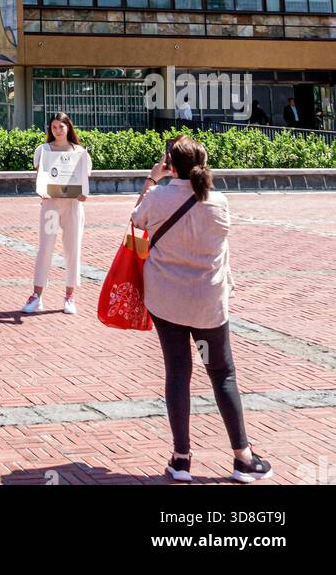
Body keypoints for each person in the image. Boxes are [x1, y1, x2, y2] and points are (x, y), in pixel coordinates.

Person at [131, 136, 272, 483]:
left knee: (178, 373)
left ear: (170, 164)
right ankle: (243, 457)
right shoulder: (218, 202)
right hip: (208, 303)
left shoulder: (158, 197)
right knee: (221, 374)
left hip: (167, 302)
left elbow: (136, 222)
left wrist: (153, 179)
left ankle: (181, 459)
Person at [23, 114, 92, 317]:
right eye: (54, 127)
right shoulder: (43, 150)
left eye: (61, 126)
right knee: (45, 248)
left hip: (72, 206)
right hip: (51, 205)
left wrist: (82, 193)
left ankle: (69, 296)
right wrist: (42, 190)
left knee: (72, 249)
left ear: (68, 127)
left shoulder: (79, 152)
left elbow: (84, 178)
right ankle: (37, 296)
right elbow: (41, 176)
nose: (57, 131)